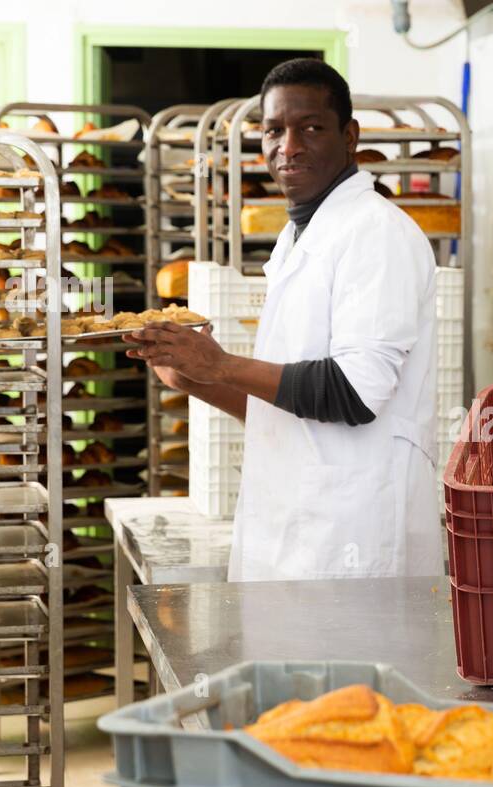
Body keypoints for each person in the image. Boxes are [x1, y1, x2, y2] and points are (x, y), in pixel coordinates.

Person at [127, 58, 441, 581]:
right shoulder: (299, 236)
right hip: (293, 526)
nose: (287, 147)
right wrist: (194, 378)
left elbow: (353, 394)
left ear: (349, 135)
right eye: (273, 130)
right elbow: (287, 409)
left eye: (310, 128)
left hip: (353, 537)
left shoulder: (376, 233)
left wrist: (222, 365)